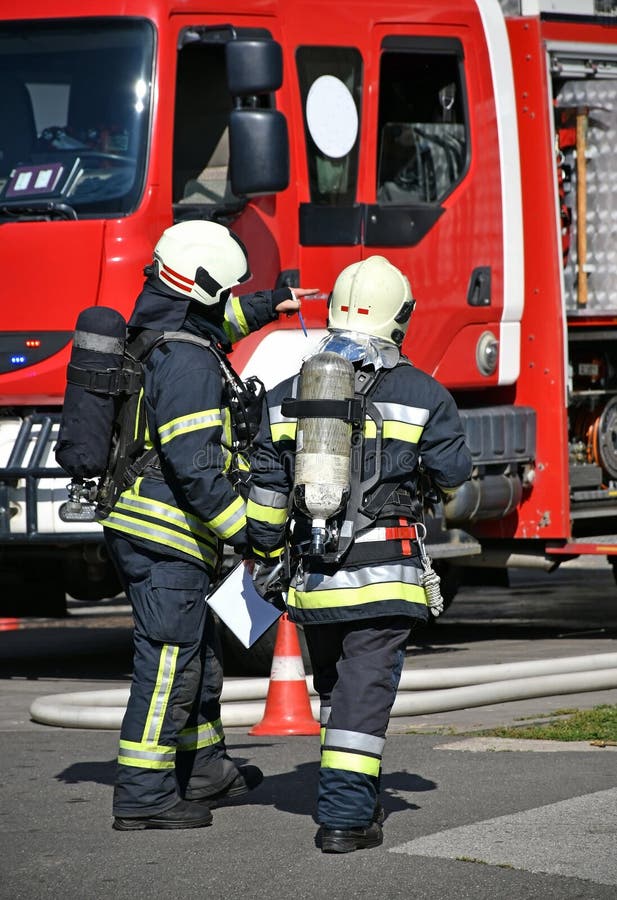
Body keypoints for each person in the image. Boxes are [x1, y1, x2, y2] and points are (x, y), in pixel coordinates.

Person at [245, 255, 472, 853]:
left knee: (339, 692)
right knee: (362, 697)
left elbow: (267, 492)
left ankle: (356, 801)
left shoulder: (285, 393)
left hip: (314, 578)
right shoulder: (424, 392)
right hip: (386, 577)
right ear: (399, 318)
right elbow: (453, 476)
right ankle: (345, 819)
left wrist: (266, 553)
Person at [104, 219, 314, 831]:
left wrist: (271, 303)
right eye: (223, 291)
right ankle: (144, 794)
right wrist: (249, 532)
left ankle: (203, 770)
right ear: (198, 287)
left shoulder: (164, 328)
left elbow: (219, 322)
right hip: (164, 533)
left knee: (198, 654)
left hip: (155, 529)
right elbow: (198, 473)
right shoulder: (189, 366)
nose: (227, 304)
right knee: (170, 658)